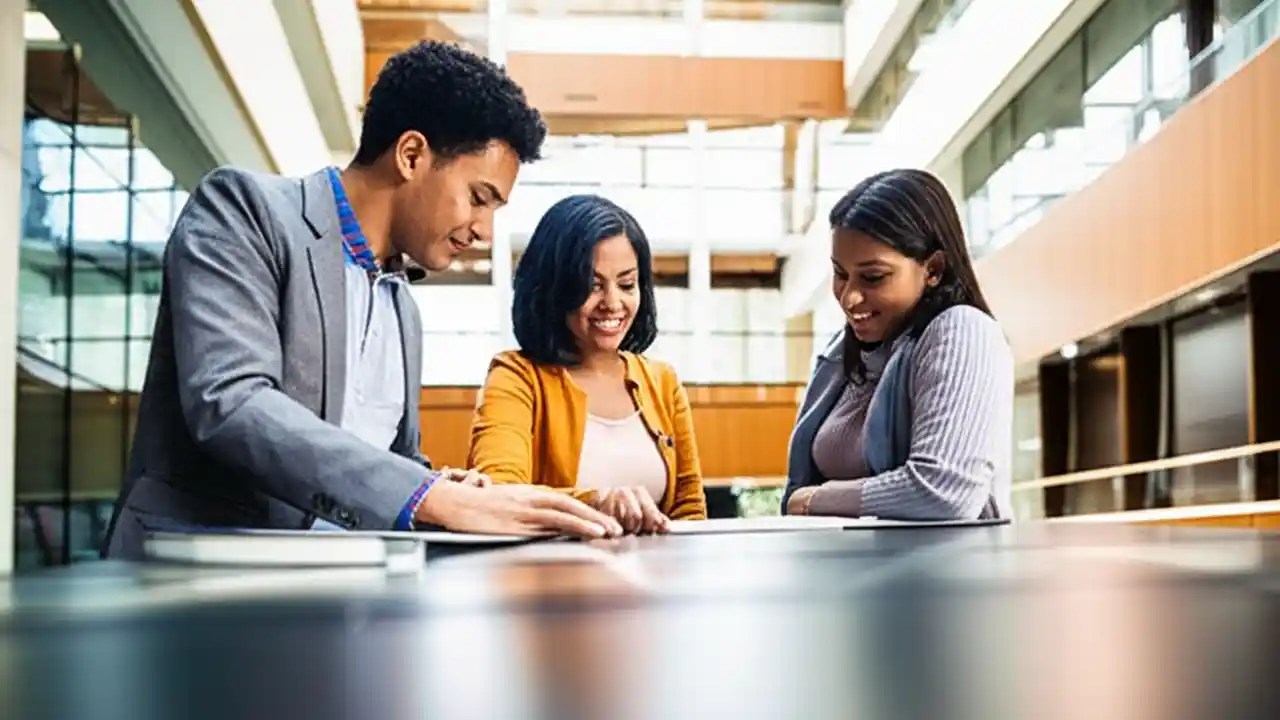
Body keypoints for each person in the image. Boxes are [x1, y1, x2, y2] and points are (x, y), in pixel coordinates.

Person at [102, 41, 622, 559]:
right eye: (479, 198)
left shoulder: (402, 307)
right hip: (190, 580)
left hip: (333, 592)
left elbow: (385, 464)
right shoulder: (244, 211)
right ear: (411, 155)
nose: (485, 231)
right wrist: (429, 495)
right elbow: (232, 404)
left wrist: (442, 484)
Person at [468, 194, 707, 534]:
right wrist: (597, 503)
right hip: (551, 581)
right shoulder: (516, 377)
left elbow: (689, 512)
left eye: (626, 284)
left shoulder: (663, 381)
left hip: (656, 584)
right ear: (554, 288)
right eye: (591, 286)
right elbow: (500, 494)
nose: (613, 303)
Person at [782, 168, 1013, 520]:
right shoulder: (841, 354)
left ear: (933, 269)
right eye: (840, 274)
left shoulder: (961, 330)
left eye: (873, 277)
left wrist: (816, 499)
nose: (849, 298)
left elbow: (944, 492)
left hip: (943, 573)